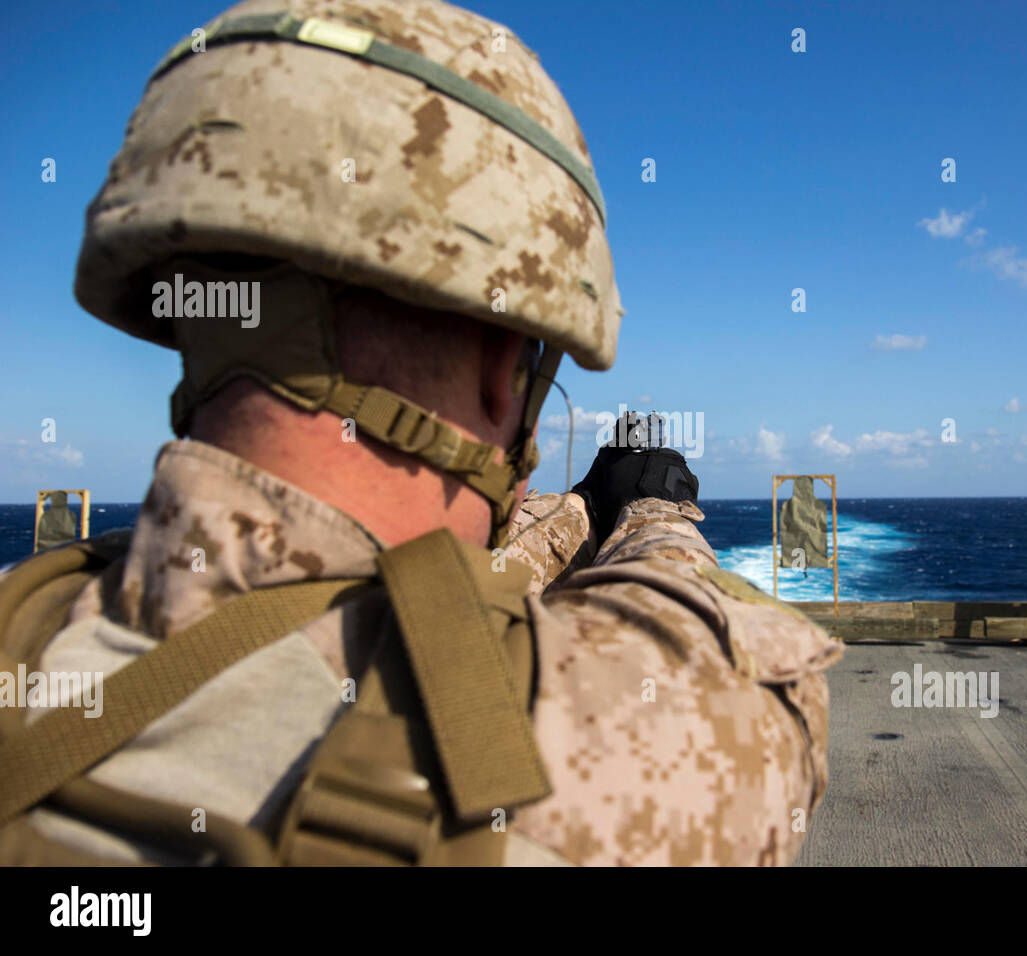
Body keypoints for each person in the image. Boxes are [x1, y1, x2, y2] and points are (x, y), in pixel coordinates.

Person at [0, 0, 840, 866]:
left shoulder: (37, 618)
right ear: (500, 366)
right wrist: (654, 514)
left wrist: (583, 510)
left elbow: (391, 585)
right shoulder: (601, 755)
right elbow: (756, 680)